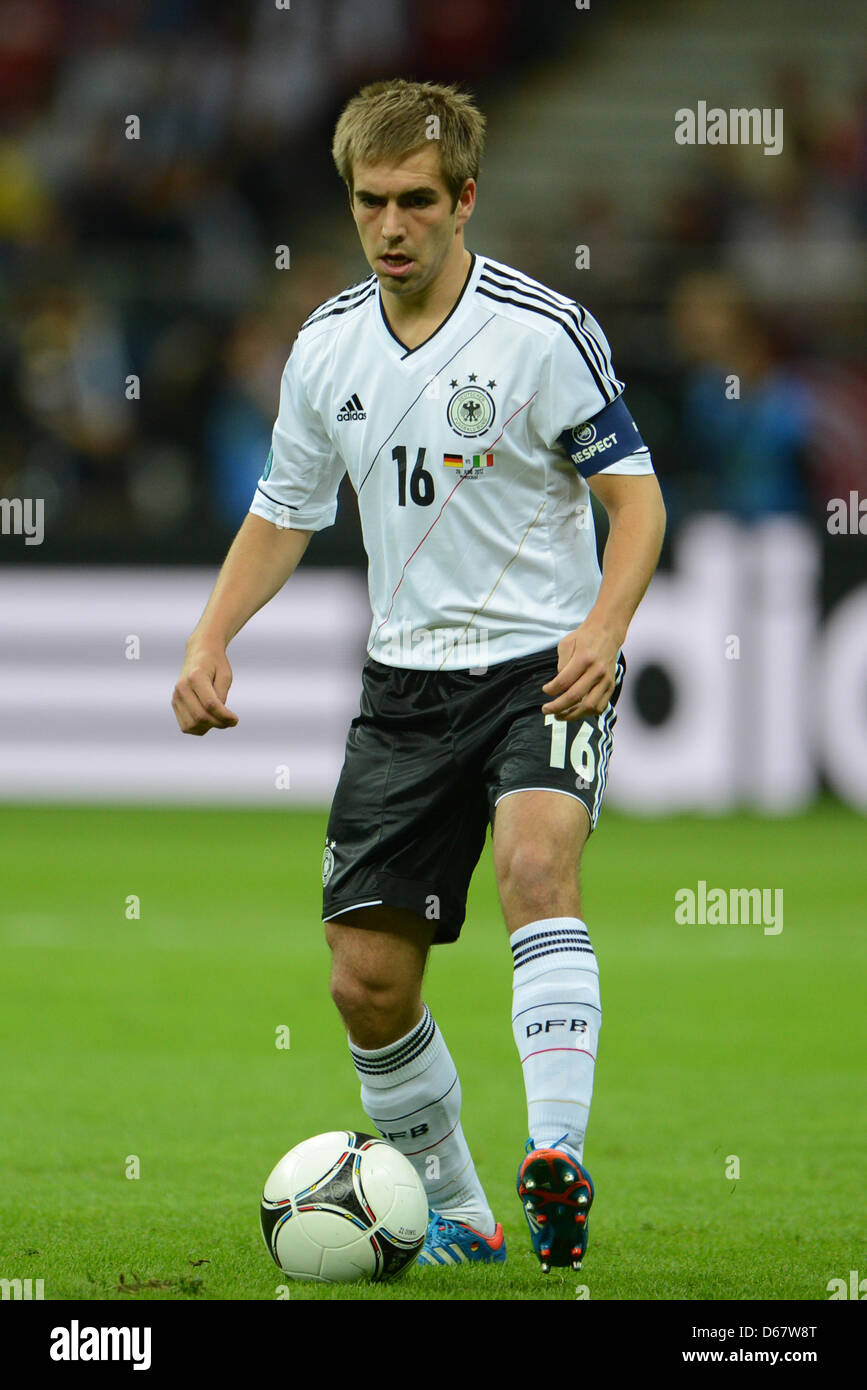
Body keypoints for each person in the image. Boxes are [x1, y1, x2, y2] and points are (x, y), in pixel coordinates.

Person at [172, 79, 666, 1275]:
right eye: (369, 202)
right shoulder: (325, 347)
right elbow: (284, 512)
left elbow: (636, 498)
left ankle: (555, 1154)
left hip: (540, 667)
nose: (391, 226)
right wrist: (211, 634)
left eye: (416, 202)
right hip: (404, 690)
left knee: (536, 866)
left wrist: (603, 628)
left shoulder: (540, 333)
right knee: (365, 984)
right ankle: (458, 1208)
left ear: (465, 202)